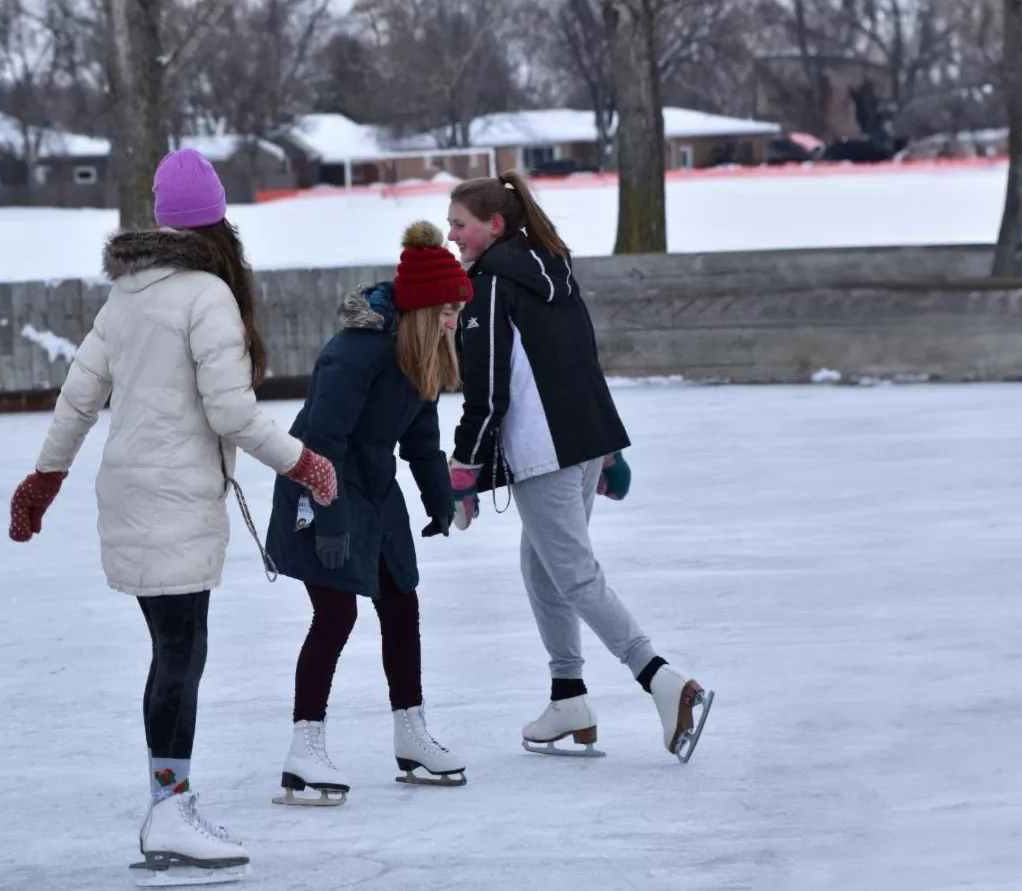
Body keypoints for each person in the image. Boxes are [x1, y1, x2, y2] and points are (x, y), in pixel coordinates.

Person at [6, 149, 339, 878]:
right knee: (182, 651)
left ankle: (169, 801)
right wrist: (304, 462)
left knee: (172, 650)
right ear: (219, 221)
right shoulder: (206, 295)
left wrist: (46, 477)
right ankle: (169, 808)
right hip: (174, 494)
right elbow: (232, 412)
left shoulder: (127, 295)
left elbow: (77, 397)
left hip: (132, 490)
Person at [444, 169, 714, 764]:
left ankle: (663, 680)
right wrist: (608, 448)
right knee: (543, 567)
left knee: (573, 574)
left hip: (545, 455)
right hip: (583, 443)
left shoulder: (490, 285)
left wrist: (462, 466)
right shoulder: (554, 271)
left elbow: (486, 394)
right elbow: (583, 363)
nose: (452, 236)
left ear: (493, 225)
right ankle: (569, 697)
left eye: (459, 225)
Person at [264, 221, 470, 806]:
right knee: (336, 616)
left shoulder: (421, 352)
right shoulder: (355, 352)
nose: (456, 319)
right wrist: (328, 518)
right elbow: (323, 439)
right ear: (427, 308)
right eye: (450, 309)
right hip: (320, 483)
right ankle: (304, 748)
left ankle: (412, 736)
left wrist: (438, 496)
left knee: (401, 603)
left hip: (376, 492)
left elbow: (423, 439)